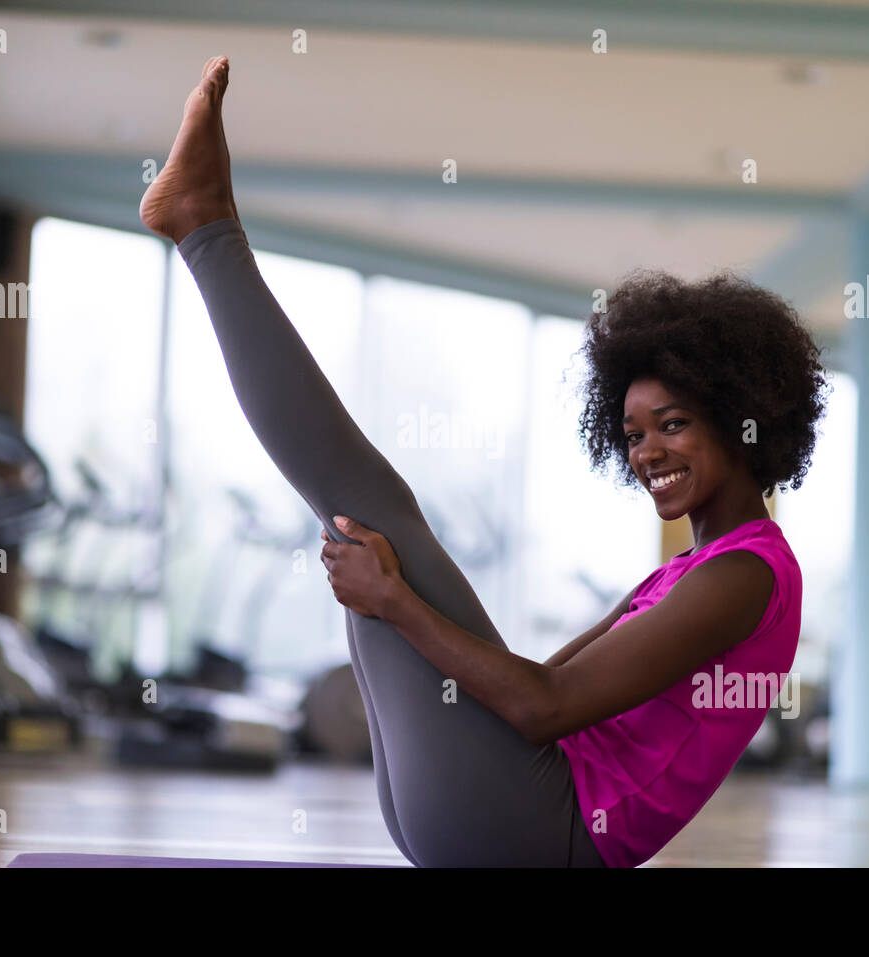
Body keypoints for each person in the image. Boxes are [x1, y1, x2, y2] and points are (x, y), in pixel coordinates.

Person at [141, 57, 830, 867]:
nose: (648, 452)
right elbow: (534, 679)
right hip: (507, 811)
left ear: (742, 417)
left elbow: (544, 707)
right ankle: (205, 223)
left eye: (672, 424)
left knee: (370, 507)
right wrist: (395, 600)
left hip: (539, 830)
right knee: (368, 520)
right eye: (634, 432)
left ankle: (207, 228)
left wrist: (399, 603)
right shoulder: (694, 569)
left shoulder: (746, 574)